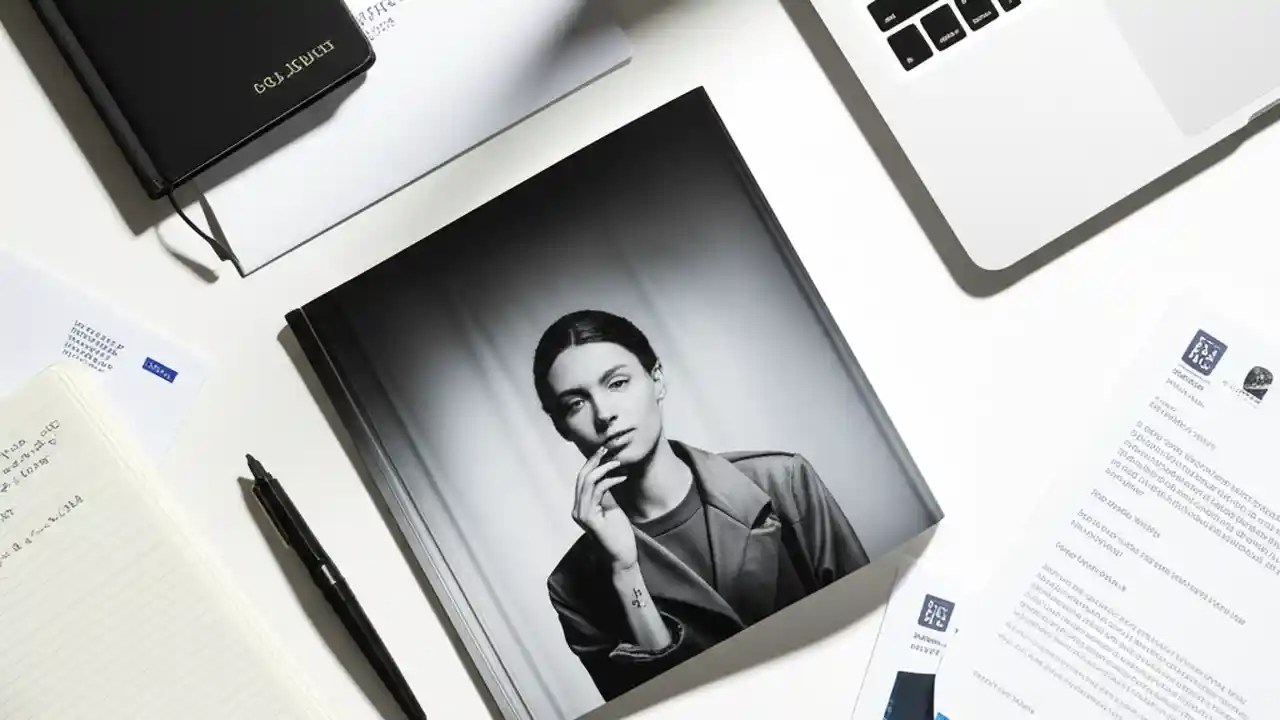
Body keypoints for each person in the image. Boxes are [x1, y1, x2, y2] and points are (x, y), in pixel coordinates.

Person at [535, 309, 869, 701]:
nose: (604, 413)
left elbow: (872, 620)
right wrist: (625, 572)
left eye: (618, 383)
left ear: (657, 380)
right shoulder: (572, 588)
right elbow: (661, 708)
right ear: (562, 428)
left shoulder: (782, 481)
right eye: (576, 404)